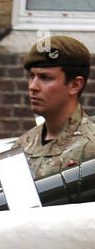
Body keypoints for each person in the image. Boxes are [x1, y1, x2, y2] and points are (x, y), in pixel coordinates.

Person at [18, 36, 95, 180]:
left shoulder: (90, 147)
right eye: (31, 76)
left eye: (45, 78)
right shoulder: (23, 145)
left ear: (75, 85)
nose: (33, 86)